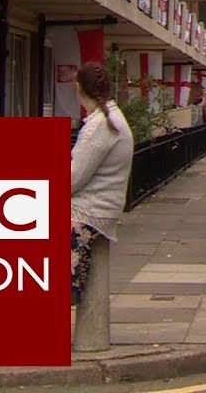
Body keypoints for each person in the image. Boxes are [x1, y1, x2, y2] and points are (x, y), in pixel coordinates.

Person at [70, 61, 134, 304]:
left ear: (79, 88)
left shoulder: (99, 126)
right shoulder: (108, 119)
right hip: (98, 209)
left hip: (87, 213)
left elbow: (73, 180)